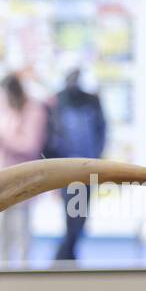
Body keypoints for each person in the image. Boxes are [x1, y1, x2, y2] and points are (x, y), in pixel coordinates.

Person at [45, 67, 107, 261]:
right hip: (66, 169)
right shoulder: (58, 102)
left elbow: (101, 132)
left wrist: (96, 158)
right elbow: (51, 137)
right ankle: (65, 256)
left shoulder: (92, 102)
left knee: (81, 215)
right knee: (72, 213)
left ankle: (67, 254)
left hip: (89, 167)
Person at [0, 73, 47, 264]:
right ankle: (5, 275)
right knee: (4, 235)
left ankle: (23, 277)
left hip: (24, 181)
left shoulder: (34, 111)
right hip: (3, 181)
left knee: (21, 233)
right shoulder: (9, 111)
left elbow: (30, 146)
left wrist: (2, 138)